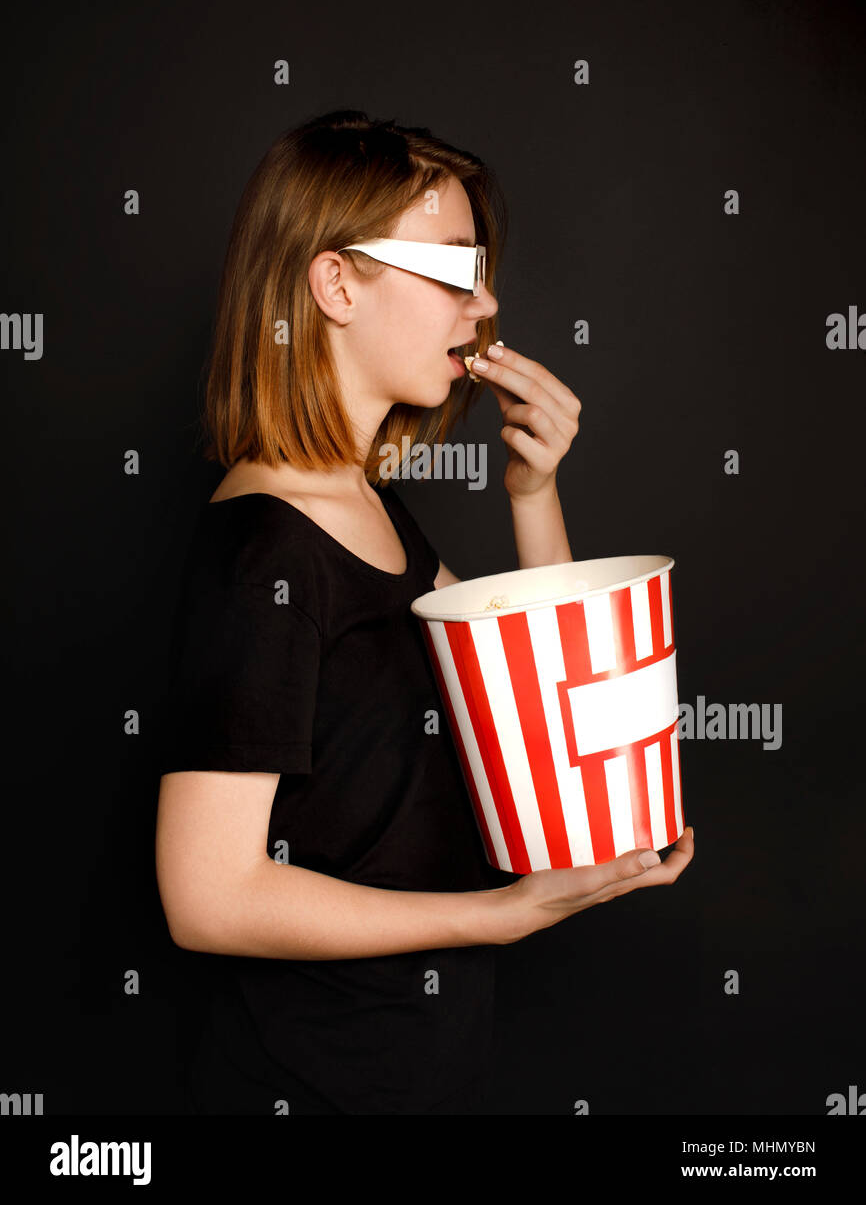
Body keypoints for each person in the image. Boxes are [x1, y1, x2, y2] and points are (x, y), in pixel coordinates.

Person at [154, 108, 694, 1116]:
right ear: (335, 283)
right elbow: (207, 895)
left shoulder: (368, 508)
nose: (484, 304)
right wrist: (490, 918)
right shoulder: (264, 547)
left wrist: (532, 494)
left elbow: (542, 713)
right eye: (453, 269)